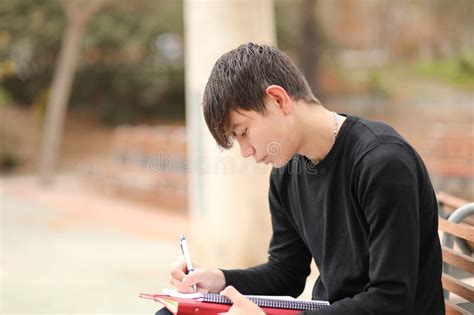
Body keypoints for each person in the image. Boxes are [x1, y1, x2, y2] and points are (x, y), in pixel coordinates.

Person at [166, 42, 445, 314]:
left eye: (243, 132)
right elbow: (287, 272)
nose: (246, 151)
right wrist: (220, 280)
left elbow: (391, 301)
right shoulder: (286, 174)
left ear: (278, 99)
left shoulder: (382, 163)